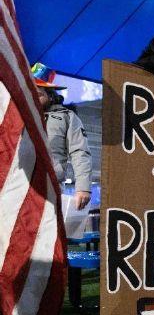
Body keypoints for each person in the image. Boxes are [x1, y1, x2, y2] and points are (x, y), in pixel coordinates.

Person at [32, 62, 92, 210]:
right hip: (17, 185)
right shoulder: (18, 115)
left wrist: (83, 188)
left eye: (38, 93)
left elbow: (80, 152)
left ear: (51, 95)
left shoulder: (68, 117)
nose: (32, 96)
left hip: (50, 187)